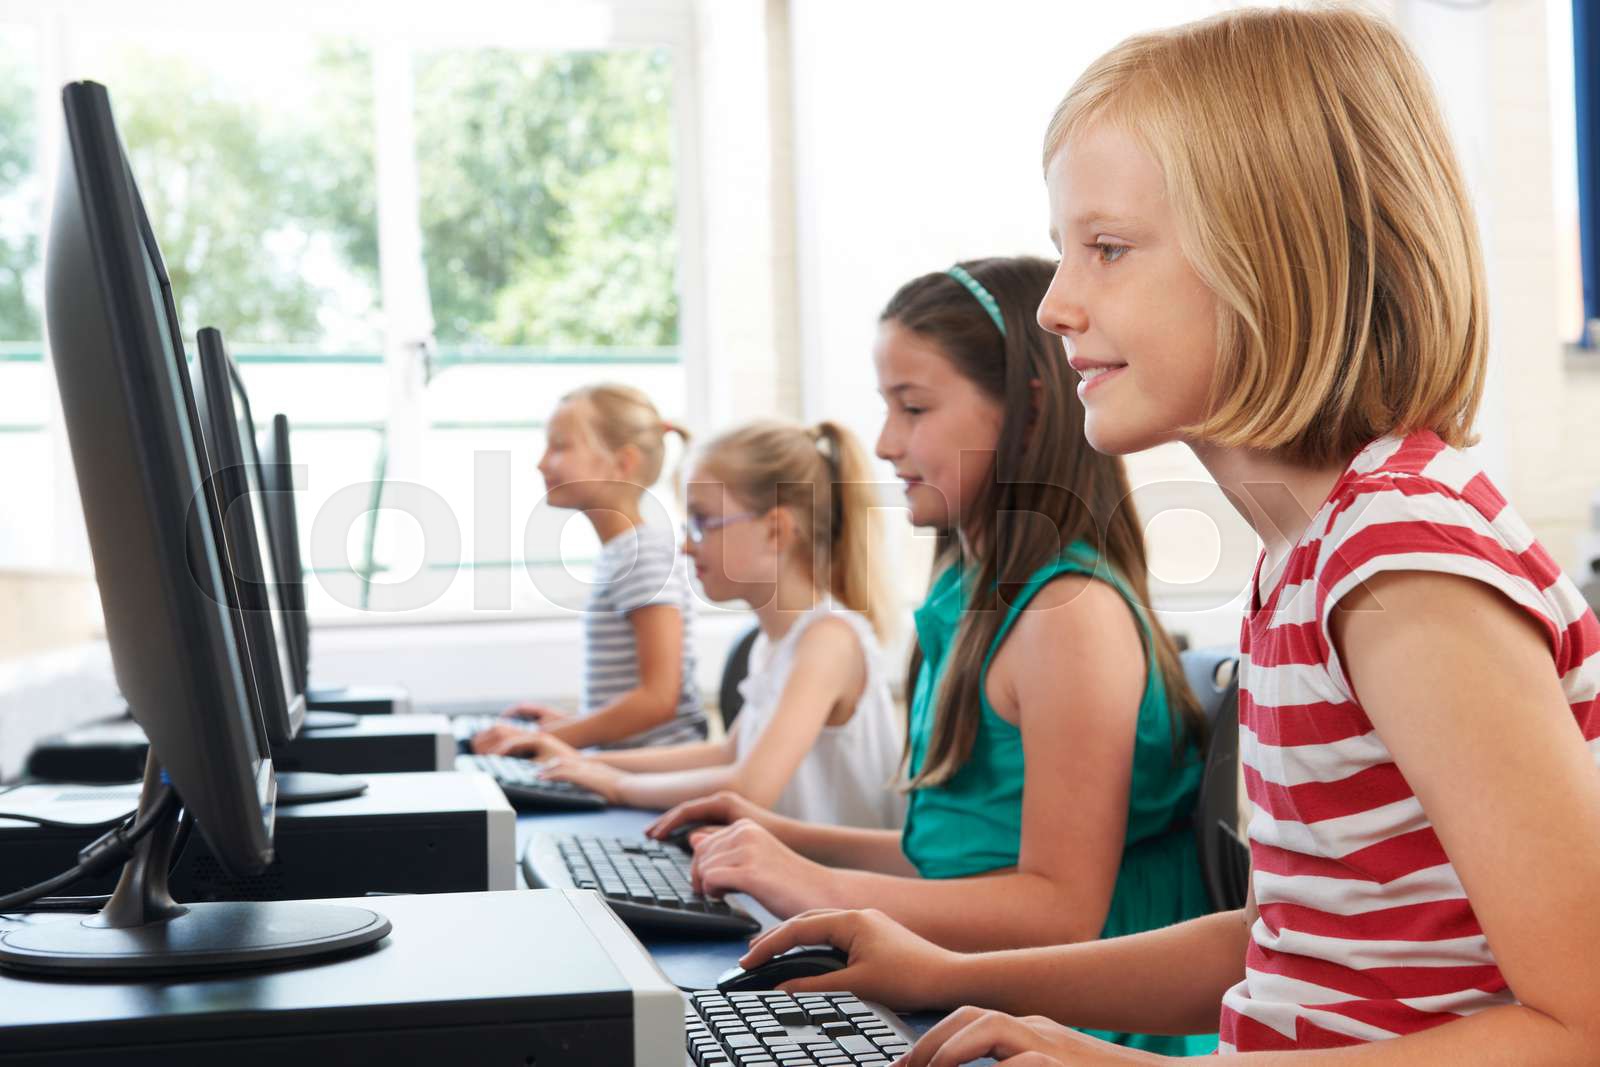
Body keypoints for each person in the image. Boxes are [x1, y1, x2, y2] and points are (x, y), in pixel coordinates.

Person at [743, 9, 1600, 1064]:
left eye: (1105, 249)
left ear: (1280, 258)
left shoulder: (1400, 562)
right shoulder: (1307, 556)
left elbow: (1579, 1025)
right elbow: (1282, 943)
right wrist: (948, 972)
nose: (1055, 307)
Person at [654, 256, 1214, 1055]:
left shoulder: (1069, 614)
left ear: (1025, 414)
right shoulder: (972, 596)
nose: (885, 442)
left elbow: (1060, 907)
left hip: (1066, 1016)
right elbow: (956, 854)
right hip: (983, 978)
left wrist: (822, 886)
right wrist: (782, 835)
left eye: (912, 407)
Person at [506, 419, 905, 830]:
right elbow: (728, 754)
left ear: (776, 530)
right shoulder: (774, 643)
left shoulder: (828, 641)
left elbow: (750, 785)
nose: (687, 544)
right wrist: (582, 760)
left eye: (702, 521)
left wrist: (619, 786)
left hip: (840, 890)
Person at [472, 383, 706, 752]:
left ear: (623, 462)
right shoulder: (622, 552)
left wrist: (539, 739)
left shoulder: (641, 554)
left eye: (560, 446)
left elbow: (659, 699)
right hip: (624, 764)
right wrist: (569, 724)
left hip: (653, 771)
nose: (542, 462)